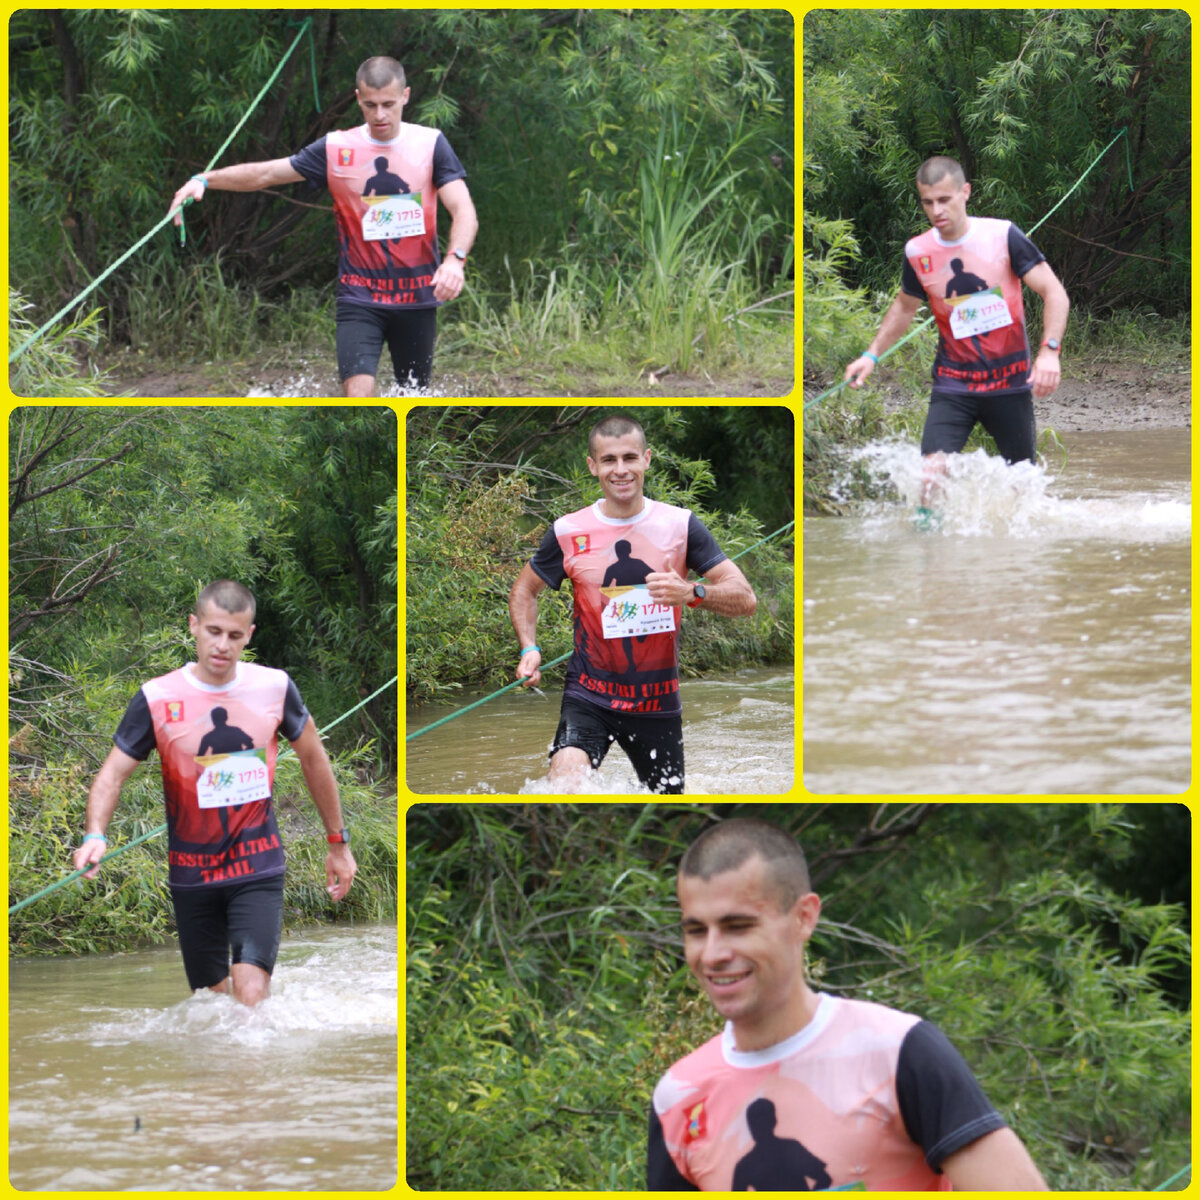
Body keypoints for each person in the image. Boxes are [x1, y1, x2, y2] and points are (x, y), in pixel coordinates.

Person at [647, 818, 1049, 1191]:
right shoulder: (678, 1099)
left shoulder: (898, 1053)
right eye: (697, 931)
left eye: (738, 926)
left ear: (804, 917)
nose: (713, 953)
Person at [72, 581, 357, 1006]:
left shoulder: (275, 688)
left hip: (256, 867)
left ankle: (256, 1068)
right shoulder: (157, 697)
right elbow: (112, 775)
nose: (223, 645)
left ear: (250, 635)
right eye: (214, 631)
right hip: (192, 873)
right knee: (210, 1002)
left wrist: (338, 843)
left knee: (250, 990)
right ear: (194, 626)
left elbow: (315, 759)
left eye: (235, 636)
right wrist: (95, 834)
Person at [168, 55, 478, 397]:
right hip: (359, 297)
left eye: (389, 104)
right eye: (371, 105)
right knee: (358, 400)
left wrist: (455, 259)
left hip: (418, 297)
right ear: (358, 98)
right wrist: (204, 180)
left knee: (413, 398)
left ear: (405, 96)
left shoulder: (431, 144)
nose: (380, 115)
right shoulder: (336, 147)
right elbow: (266, 173)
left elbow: (462, 208)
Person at [507, 415, 757, 794]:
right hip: (589, 694)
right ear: (593, 466)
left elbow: (745, 599)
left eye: (629, 458)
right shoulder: (568, 531)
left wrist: (692, 592)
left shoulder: (681, 525)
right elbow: (525, 591)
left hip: (657, 701)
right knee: (566, 782)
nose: (620, 470)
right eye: (609, 460)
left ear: (647, 460)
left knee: (667, 801)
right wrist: (529, 647)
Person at [843, 155, 1069, 505]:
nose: (936, 210)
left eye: (944, 200)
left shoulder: (1003, 235)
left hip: (1009, 383)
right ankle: (930, 550)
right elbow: (904, 306)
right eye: (928, 202)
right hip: (954, 384)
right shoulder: (918, 251)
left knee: (1022, 490)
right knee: (929, 476)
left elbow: (1054, 292)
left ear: (965, 192)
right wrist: (871, 355)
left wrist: (1049, 351)